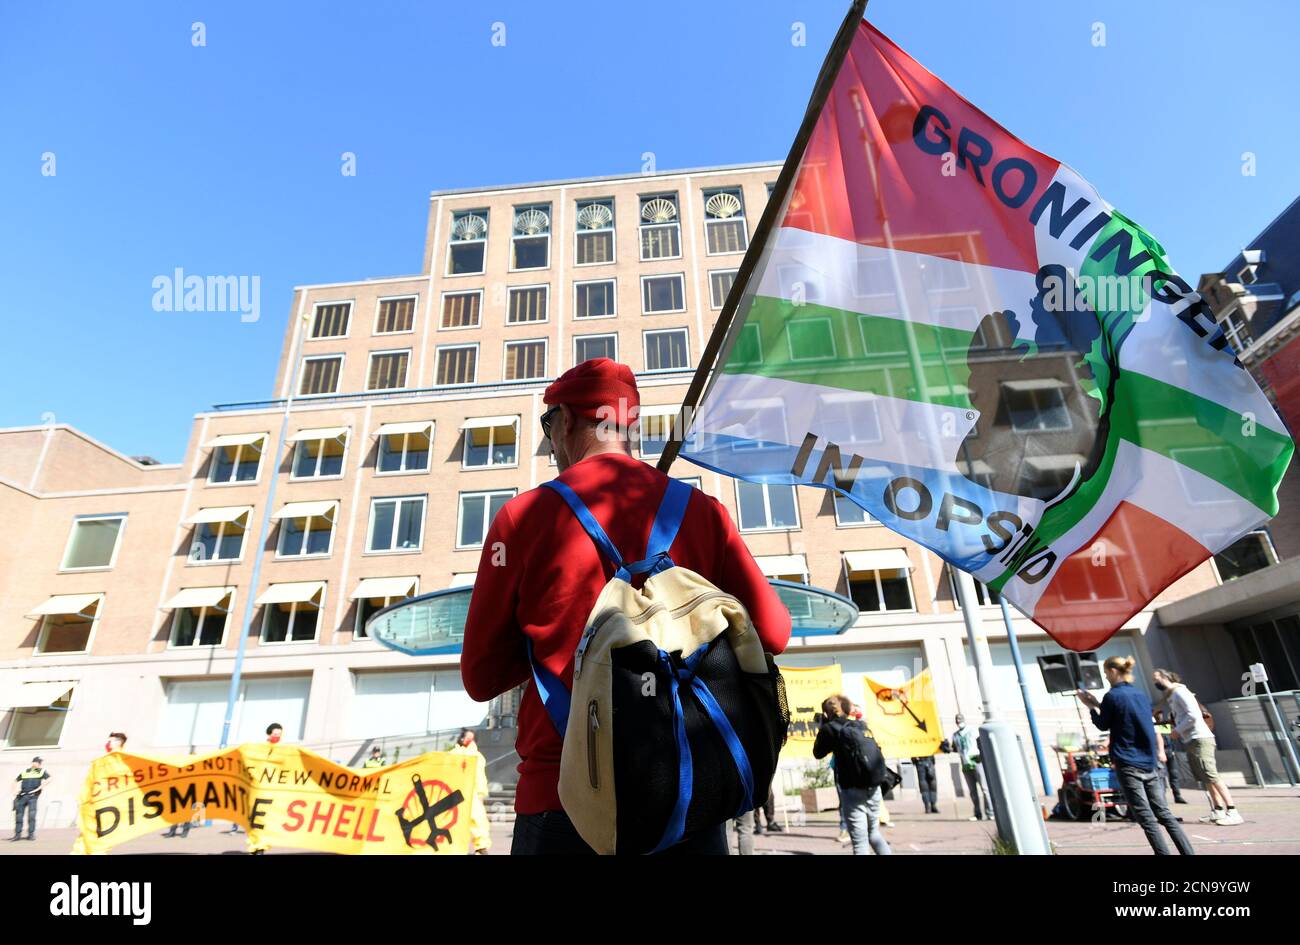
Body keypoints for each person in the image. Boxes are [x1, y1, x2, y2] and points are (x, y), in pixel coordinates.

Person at [460, 359, 792, 855]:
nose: (551, 444)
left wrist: (549, 642)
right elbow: (774, 632)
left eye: (549, 426)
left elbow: (481, 677)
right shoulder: (702, 511)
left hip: (562, 796)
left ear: (568, 422)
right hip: (688, 791)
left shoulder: (522, 516)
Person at [1077, 657, 1194, 855]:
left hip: (1127, 762)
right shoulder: (1139, 694)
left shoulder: (1112, 696)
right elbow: (1127, 718)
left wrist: (1091, 707)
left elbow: (1104, 723)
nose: (1106, 677)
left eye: (1106, 673)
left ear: (1113, 671)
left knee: (1146, 818)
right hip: (1149, 762)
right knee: (1164, 814)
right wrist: (1097, 703)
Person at [1153, 669, 1239, 825]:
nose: (1155, 682)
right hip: (1191, 739)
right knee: (1204, 776)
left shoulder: (1180, 692)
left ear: (1165, 677)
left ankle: (1232, 811)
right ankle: (1218, 810)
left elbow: (1193, 714)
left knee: (1211, 774)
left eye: (1156, 678)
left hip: (1200, 737)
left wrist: (1177, 731)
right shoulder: (1172, 695)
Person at [813, 695, 891, 855]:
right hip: (874, 786)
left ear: (827, 713)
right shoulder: (861, 725)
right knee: (874, 834)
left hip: (852, 790)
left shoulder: (830, 729)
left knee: (860, 842)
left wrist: (822, 727)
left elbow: (818, 753)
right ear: (848, 709)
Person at [448, 728, 492, 854]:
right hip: (456, 792)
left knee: (478, 820)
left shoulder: (476, 756)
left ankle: (481, 848)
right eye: (467, 737)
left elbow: (480, 777)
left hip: (472, 793)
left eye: (471, 738)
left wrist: (481, 793)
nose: (468, 740)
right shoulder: (455, 753)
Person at [950, 714, 992, 821]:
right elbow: (954, 748)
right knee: (972, 791)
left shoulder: (973, 731)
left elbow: (981, 743)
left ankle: (990, 812)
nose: (959, 722)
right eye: (957, 721)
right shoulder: (955, 735)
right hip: (965, 764)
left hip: (976, 761)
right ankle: (977, 813)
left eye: (960, 720)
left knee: (984, 788)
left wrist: (981, 755)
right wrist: (946, 747)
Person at [1154, 709, 1188, 804]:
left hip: (1170, 752)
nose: (1160, 716)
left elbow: (1171, 738)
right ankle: (1163, 796)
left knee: (1174, 774)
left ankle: (1177, 795)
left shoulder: (1165, 725)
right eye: (1158, 714)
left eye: (1161, 714)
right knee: (1162, 775)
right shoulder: (1154, 726)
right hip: (1161, 752)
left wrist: (1173, 750)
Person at [11, 757, 49, 841]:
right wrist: (14, 791)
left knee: (31, 816)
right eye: (37, 762)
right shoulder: (25, 771)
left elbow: (49, 779)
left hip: (33, 797)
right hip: (22, 796)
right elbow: (15, 781)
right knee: (19, 816)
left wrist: (40, 787)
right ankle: (17, 835)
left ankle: (31, 835)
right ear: (33, 763)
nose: (38, 764)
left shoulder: (41, 771)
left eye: (39, 763)